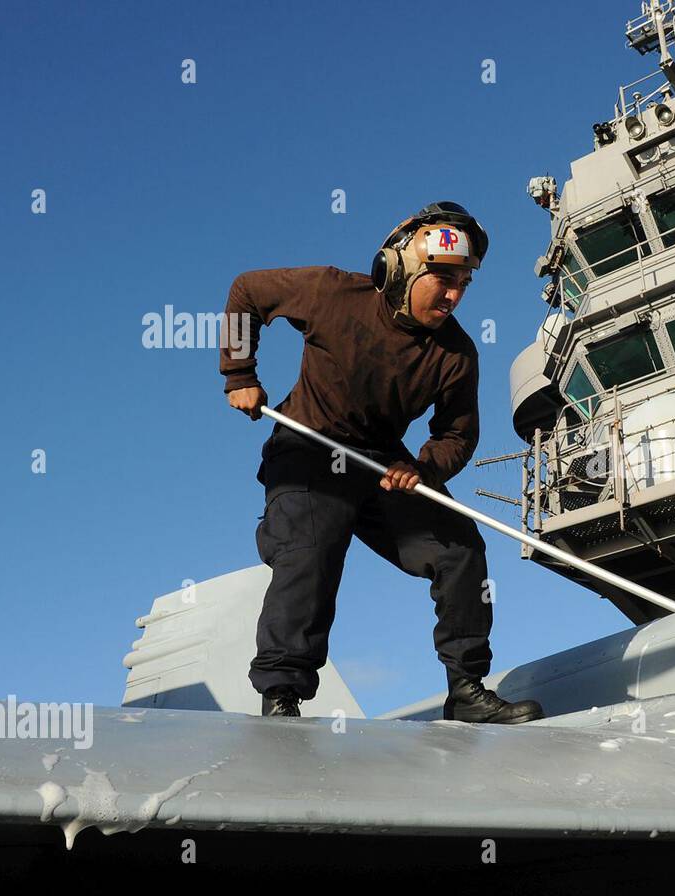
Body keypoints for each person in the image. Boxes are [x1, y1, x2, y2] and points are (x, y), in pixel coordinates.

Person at [219, 201, 544, 725]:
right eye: (443, 279)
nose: (455, 295)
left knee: (459, 546)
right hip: (308, 449)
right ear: (402, 268)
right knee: (310, 549)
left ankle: (466, 689)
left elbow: (458, 433)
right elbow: (247, 291)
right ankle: (282, 697)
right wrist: (239, 374)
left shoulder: (457, 354)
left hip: (381, 466)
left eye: (464, 283)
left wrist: (425, 468)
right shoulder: (331, 292)